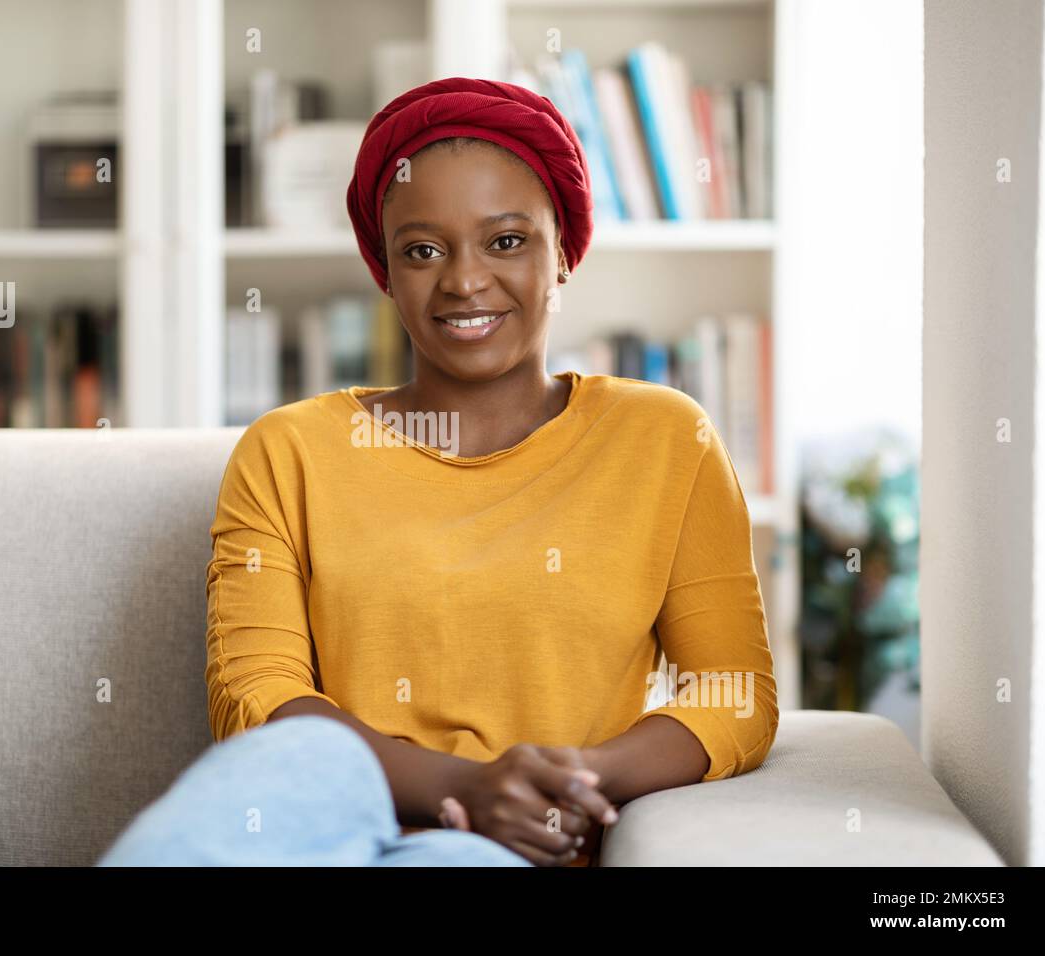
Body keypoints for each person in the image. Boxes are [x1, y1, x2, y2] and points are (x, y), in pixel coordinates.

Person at [99, 77, 778, 868]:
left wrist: (561, 783)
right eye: (423, 249)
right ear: (385, 269)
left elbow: (733, 696)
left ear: (565, 252)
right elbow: (259, 705)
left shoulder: (665, 441)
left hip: (498, 850)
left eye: (507, 239)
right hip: (306, 817)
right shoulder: (287, 451)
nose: (462, 280)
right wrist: (472, 782)